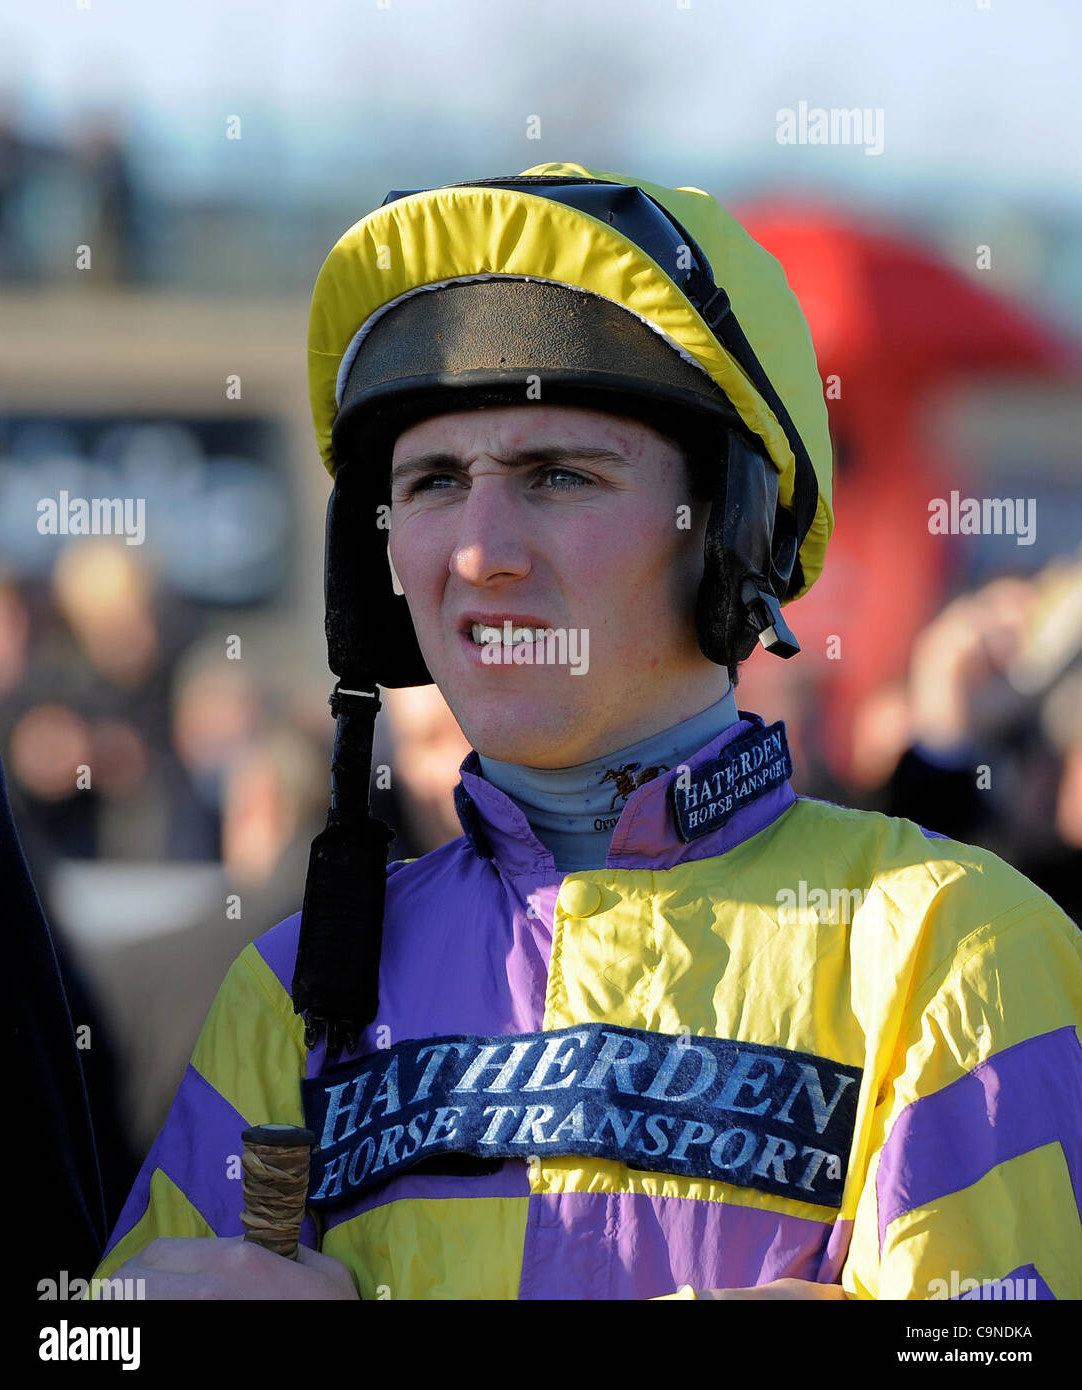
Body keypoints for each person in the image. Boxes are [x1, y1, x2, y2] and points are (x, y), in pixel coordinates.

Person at [92, 163, 1081, 1301]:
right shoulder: (287, 994)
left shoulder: (949, 950)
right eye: (432, 482)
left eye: (557, 474)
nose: (479, 550)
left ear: (729, 535)